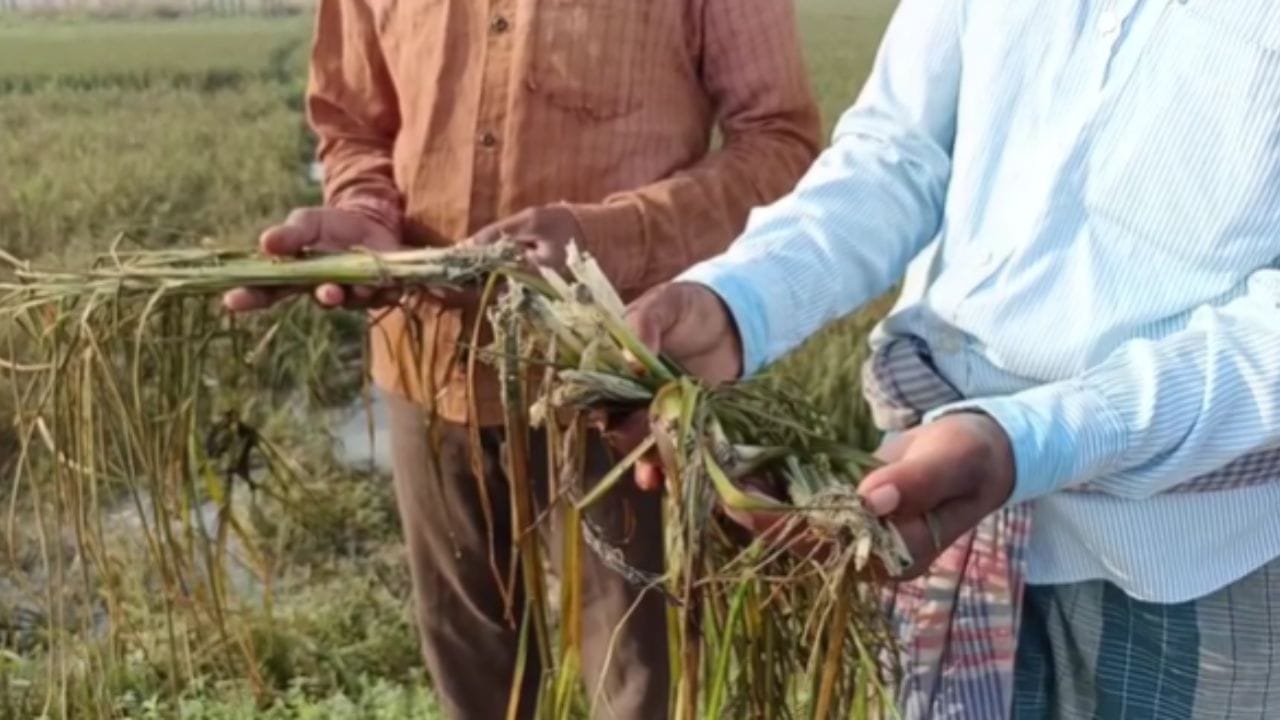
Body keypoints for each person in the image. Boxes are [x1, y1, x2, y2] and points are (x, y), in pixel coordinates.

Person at [620, 1, 1280, 718]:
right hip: (941, 517)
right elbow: (895, 157)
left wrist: (1024, 440)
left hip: (1195, 568)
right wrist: (735, 304)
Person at [222, 1, 821, 718]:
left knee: (639, 678)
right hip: (430, 358)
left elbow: (779, 142)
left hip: (622, 375)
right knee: (473, 676)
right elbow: (353, 124)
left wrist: (616, 237)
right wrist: (368, 214)